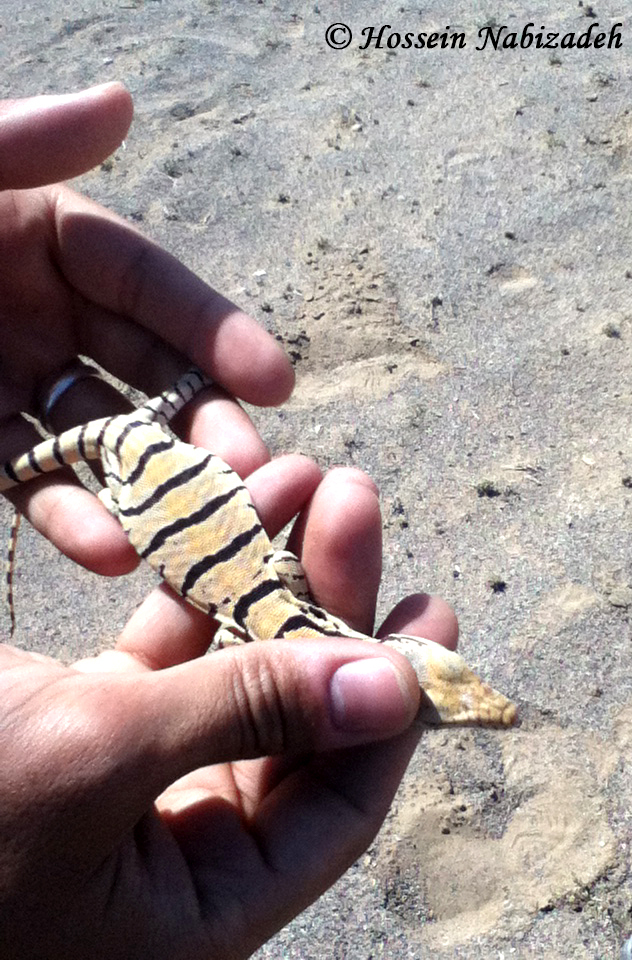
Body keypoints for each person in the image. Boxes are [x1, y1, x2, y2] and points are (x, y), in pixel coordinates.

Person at [0, 83, 458, 958]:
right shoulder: (236, 585)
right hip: (166, 480)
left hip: (164, 484)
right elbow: (184, 402)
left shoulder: (246, 588)